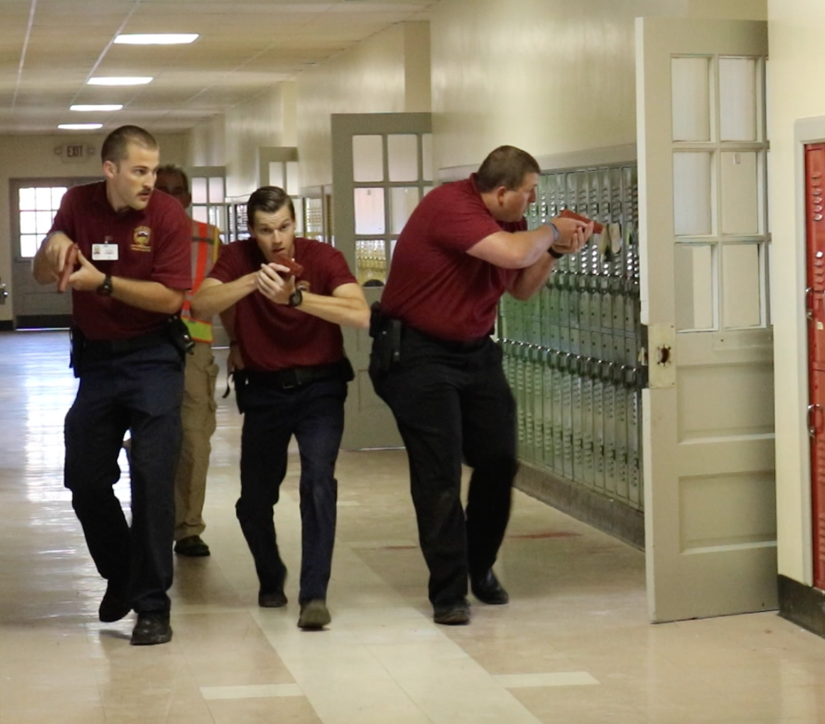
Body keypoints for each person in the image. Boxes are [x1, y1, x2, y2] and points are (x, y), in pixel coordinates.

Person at [369, 145, 593, 626]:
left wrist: (552, 250)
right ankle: (448, 592)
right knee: (440, 473)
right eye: (530, 193)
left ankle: (479, 565)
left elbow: (520, 286)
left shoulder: (511, 222)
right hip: (419, 355)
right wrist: (552, 229)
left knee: (498, 459)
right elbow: (514, 252)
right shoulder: (451, 207)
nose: (533, 203)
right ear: (502, 192)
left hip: (473, 351)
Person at [32, 125, 192, 646]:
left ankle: (152, 606)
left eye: (153, 170)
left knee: (151, 476)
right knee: (84, 476)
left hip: (153, 359)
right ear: (111, 170)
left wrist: (100, 280)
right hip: (98, 363)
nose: (149, 181)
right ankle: (121, 571)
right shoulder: (77, 202)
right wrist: (53, 243)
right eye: (139, 171)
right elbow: (42, 272)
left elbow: (170, 300)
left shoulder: (167, 215)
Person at [191, 186, 369, 630]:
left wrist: (295, 298)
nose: (277, 239)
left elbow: (359, 313)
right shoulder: (237, 257)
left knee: (317, 483)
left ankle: (314, 595)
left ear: (296, 223)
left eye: (285, 227)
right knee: (253, 502)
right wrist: (256, 280)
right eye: (267, 231)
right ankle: (271, 576)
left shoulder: (323, 257)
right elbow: (200, 304)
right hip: (266, 392)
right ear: (252, 231)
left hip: (320, 389)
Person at [154, 164, 228, 558]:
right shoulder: (136, 234)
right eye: (160, 189)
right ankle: (153, 519)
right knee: (149, 437)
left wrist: (241, 348)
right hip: (142, 348)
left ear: (187, 197)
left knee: (195, 439)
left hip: (193, 350)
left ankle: (187, 529)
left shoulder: (208, 237)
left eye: (176, 190)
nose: (169, 196)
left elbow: (227, 294)